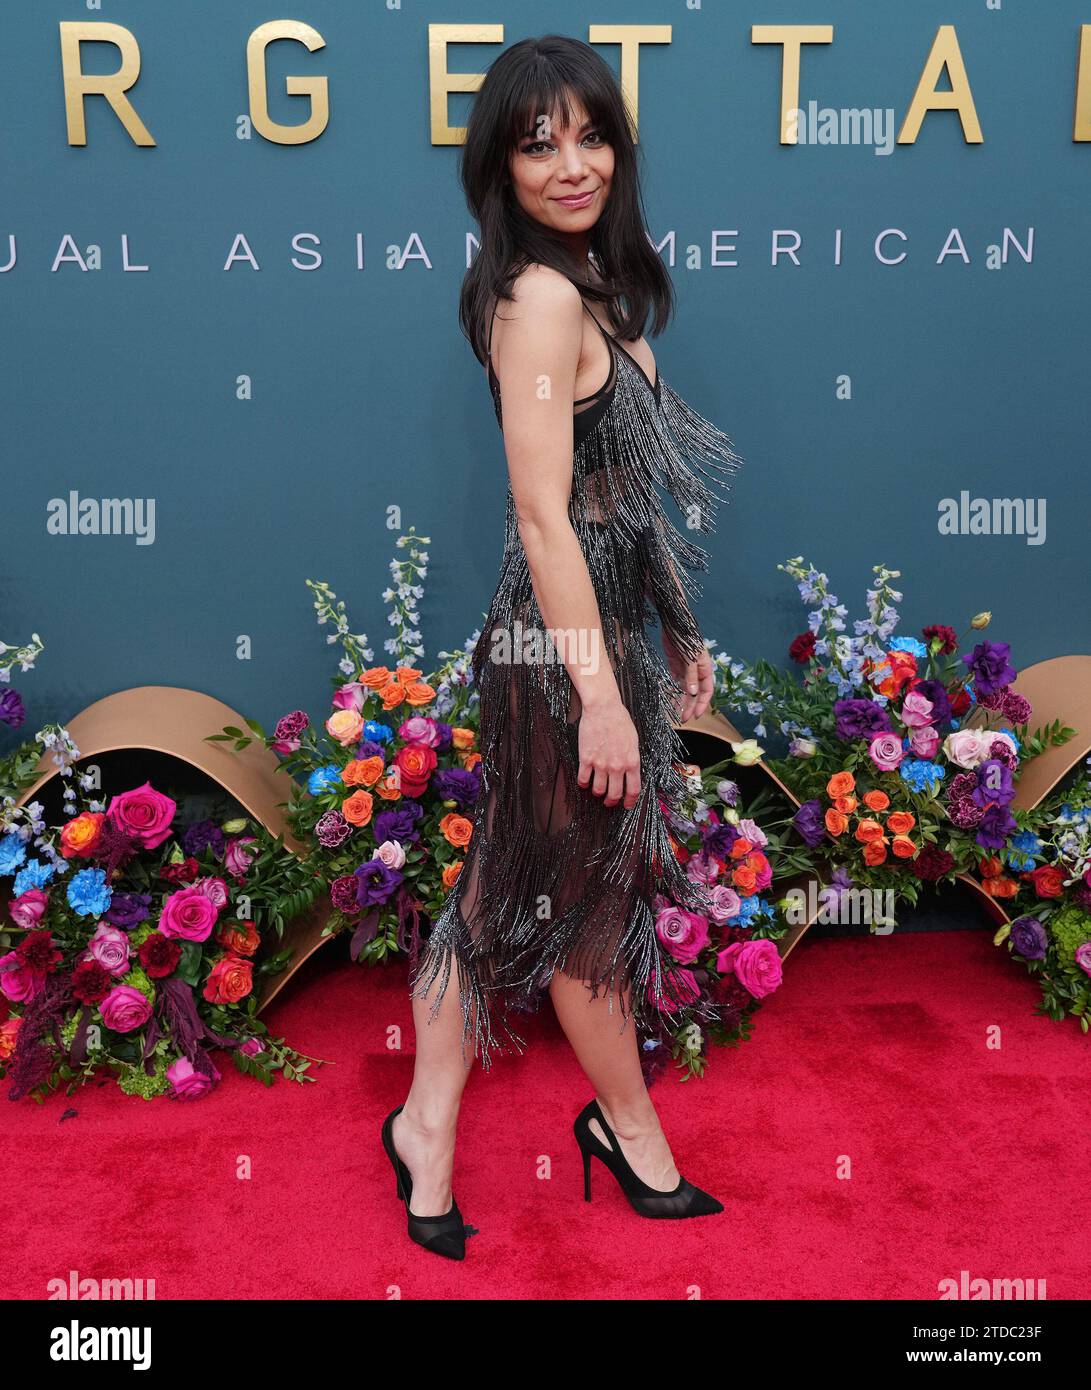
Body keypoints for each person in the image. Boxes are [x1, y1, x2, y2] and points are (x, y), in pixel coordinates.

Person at [380, 35, 743, 1260]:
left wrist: (673, 627)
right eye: (536, 144)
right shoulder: (536, 299)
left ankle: (424, 1127)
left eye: (588, 135)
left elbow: (616, 497)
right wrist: (597, 696)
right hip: (556, 656)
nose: (570, 164)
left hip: (598, 633)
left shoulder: (594, 288)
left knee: (494, 896)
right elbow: (541, 515)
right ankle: (630, 1135)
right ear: (500, 165)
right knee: (581, 912)